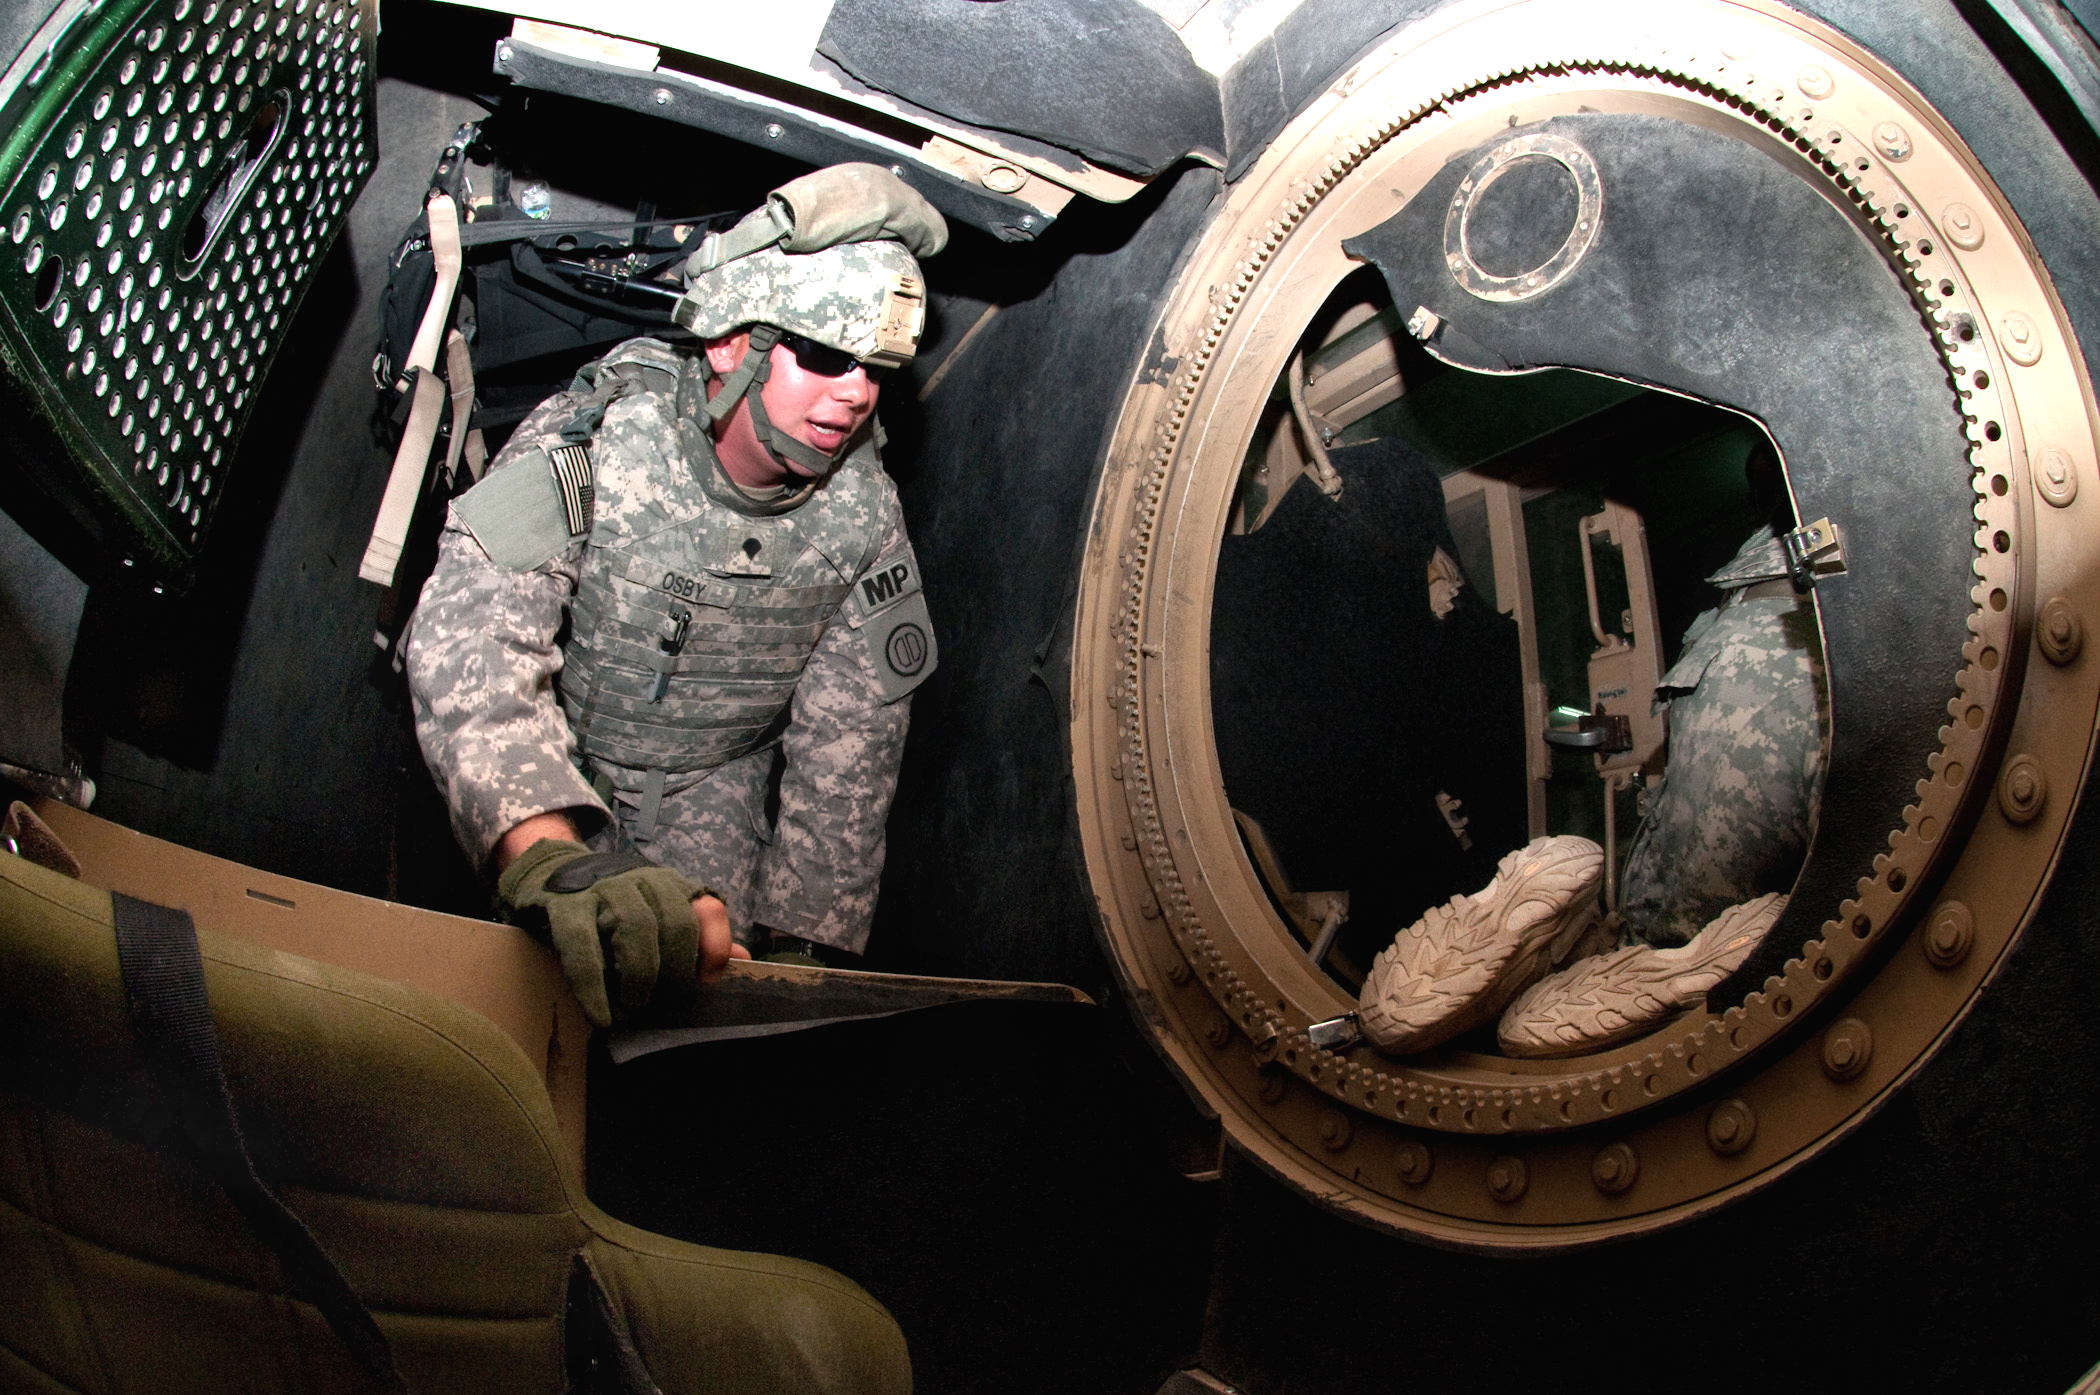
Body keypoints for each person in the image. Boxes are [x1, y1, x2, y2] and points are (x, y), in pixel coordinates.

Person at [405, 164, 947, 1027]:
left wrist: (807, 953)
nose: (855, 392)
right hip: (559, 752)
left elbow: (853, 748)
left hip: (712, 788)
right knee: (519, 1005)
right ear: (732, 342)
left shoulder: (866, 517)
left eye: (876, 366)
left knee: (696, 1007)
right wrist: (547, 850)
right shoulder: (601, 436)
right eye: (823, 354)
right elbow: (471, 632)